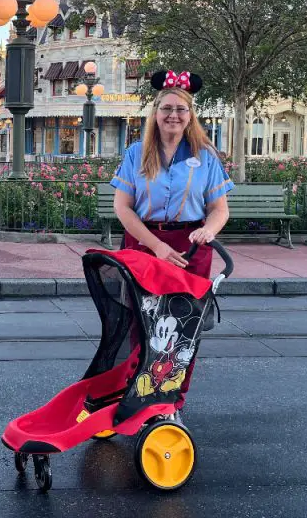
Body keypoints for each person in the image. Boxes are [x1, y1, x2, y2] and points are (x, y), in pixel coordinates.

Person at [110, 69, 234, 413]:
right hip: (144, 245)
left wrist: (209, 230)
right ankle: (138, 394)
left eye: (180, 109)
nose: (173, 115)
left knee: (183, 328)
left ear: (190, 115)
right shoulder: (137, 153)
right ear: (156, 113)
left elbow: (219, 210)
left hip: (190, 248)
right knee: (142, 322)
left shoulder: (206, 157)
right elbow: (122, 207)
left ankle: (170, 401)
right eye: (166, 109)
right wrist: (155, 245)